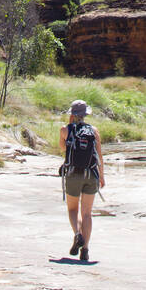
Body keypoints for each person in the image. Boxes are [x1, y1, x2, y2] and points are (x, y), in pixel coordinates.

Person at [59, 99, 105, 262]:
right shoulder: (94, 131)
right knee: (87, 213)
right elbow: (99, 155)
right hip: (91, 174)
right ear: (85, 115)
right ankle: (85, 250)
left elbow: (64, 149)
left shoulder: (65, 129)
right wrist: (101, 176)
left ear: (72, 114)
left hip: (73, 174)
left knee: (73, 210)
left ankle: (78, 234)